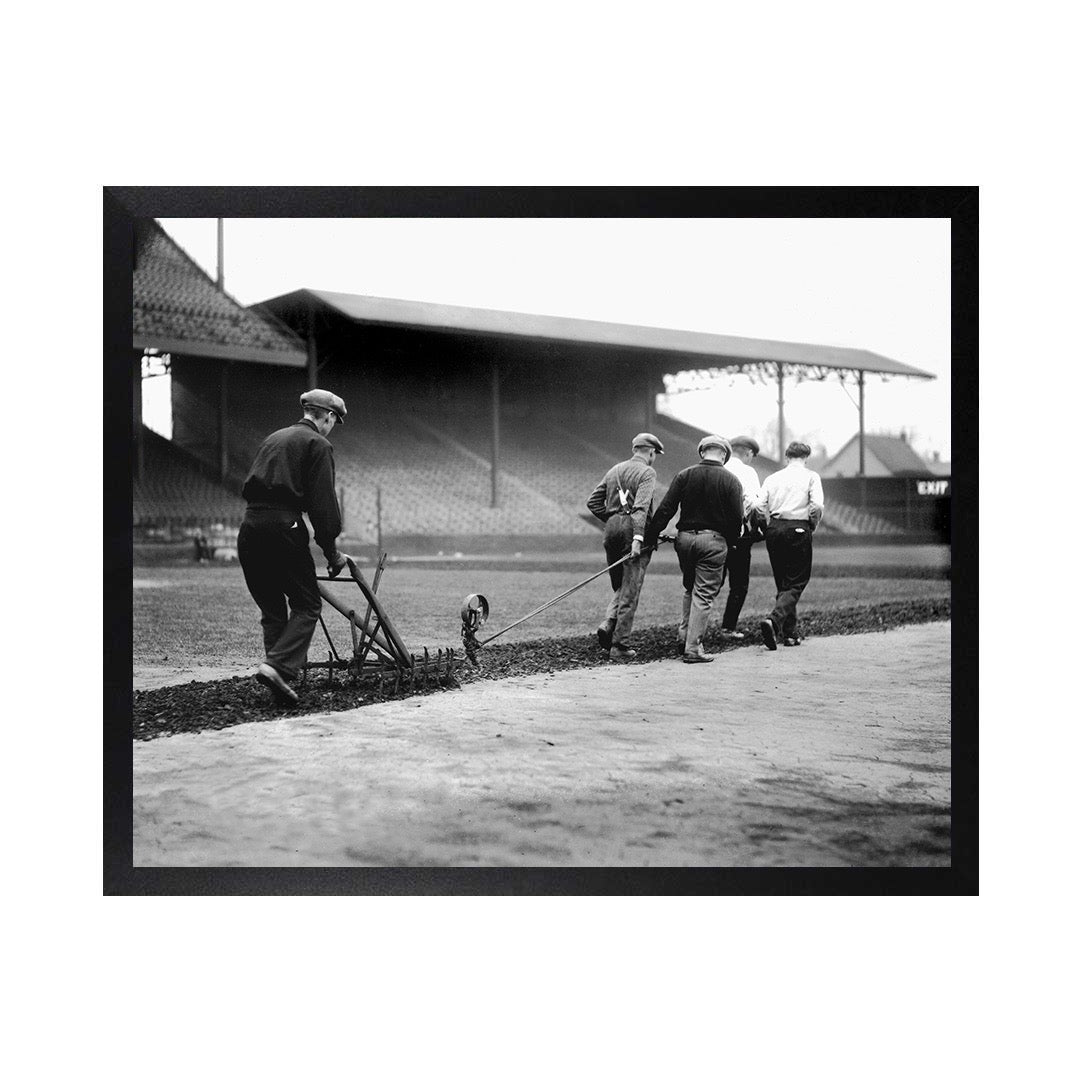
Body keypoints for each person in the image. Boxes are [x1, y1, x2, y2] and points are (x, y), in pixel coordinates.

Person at [237, 388, 350, 704]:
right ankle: (279, 667)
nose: (331, 427)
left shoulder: (273, 439)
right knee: (307, 602)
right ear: (327, 416)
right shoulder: (318, 444)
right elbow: (323, 506)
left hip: (249, 527)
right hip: (283, 526)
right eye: (333, 421)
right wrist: (332, 552)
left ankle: (280, 678)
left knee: (272, 608)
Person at [644, 435, 744, 663]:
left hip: (685, 540)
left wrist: (651, 536)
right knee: (704, 594)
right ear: (724, 456)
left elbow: (666, 509)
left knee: (690, 587)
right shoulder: (732, 481)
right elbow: (736, 519)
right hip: (713, 541)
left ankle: (683, 638)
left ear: (702, 452)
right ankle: (692, 648)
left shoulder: (684, 475)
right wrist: (731, 541)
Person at [586, 432, 664, 659]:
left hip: (611, 530)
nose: (654, 457)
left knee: (620, 584)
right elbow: (640, 509)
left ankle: (609, 623)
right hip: (633, 531)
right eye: (655, 454)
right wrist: (638, 537)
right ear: (650, 452)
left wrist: (613, 519)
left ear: (634, 449)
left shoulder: (614, 470)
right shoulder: (648, 472)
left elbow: (592, 502)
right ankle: (619, 646)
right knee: (630, 588)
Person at [753, 440, 825, 650]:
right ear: (806, 457)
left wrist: (763, 526)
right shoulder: (811, 476)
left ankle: (789, 634)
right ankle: (774, 621)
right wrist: (812, 524)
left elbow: (757, 505)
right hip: (798, 527)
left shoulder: (773, 477)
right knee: (796, 582)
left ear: (786, 457)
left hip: (774, 529)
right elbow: (817, 505)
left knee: (783, 583)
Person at [718, 435, 762, 640]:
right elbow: (755, 503)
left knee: (710, 584)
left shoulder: (719, 467)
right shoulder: (748, 472)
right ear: (748, 452)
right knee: (739, 584)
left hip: (714, 533)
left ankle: (693, 629)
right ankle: (728, 627)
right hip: (738, 535)